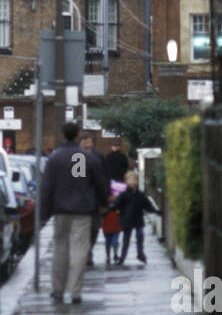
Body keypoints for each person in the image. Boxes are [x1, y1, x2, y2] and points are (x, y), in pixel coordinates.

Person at [40, 120, 109, 304]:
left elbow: (47, 187)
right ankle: (75, 291)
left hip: (61, 210)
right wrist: (103, 202)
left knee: (60, 248)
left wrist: (43, 213)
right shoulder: (86, 157)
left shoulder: (55, 158)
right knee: (80, 250)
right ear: (78, 135)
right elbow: (99, 183)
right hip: (83, 210)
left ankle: (57, 289)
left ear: (62, 135)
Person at [110, 172, 158, 265]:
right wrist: (111, 210)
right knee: (126, 239)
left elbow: (147, 205)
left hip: (138, 219)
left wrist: (155, 211)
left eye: (135, 180)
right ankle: (123, 257)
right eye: (131, 180)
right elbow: (116, 204)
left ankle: (140, 254)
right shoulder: (124, 194)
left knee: (140, 236)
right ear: (126, 181)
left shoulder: (140, 194)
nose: (133, 182)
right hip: (127, 220)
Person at [79, 134, 107, 266]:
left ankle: (89, 249)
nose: (86, 145)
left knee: (95, 227)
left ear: (93, 143)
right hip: (81, 200)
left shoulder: (98, 156)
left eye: (88, 142)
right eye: (84, 142)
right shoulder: (78, 157)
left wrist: (104, 198)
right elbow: (76, 179)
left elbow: (103, 178)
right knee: (83, 228)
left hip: (95, 199)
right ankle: (86, 252)